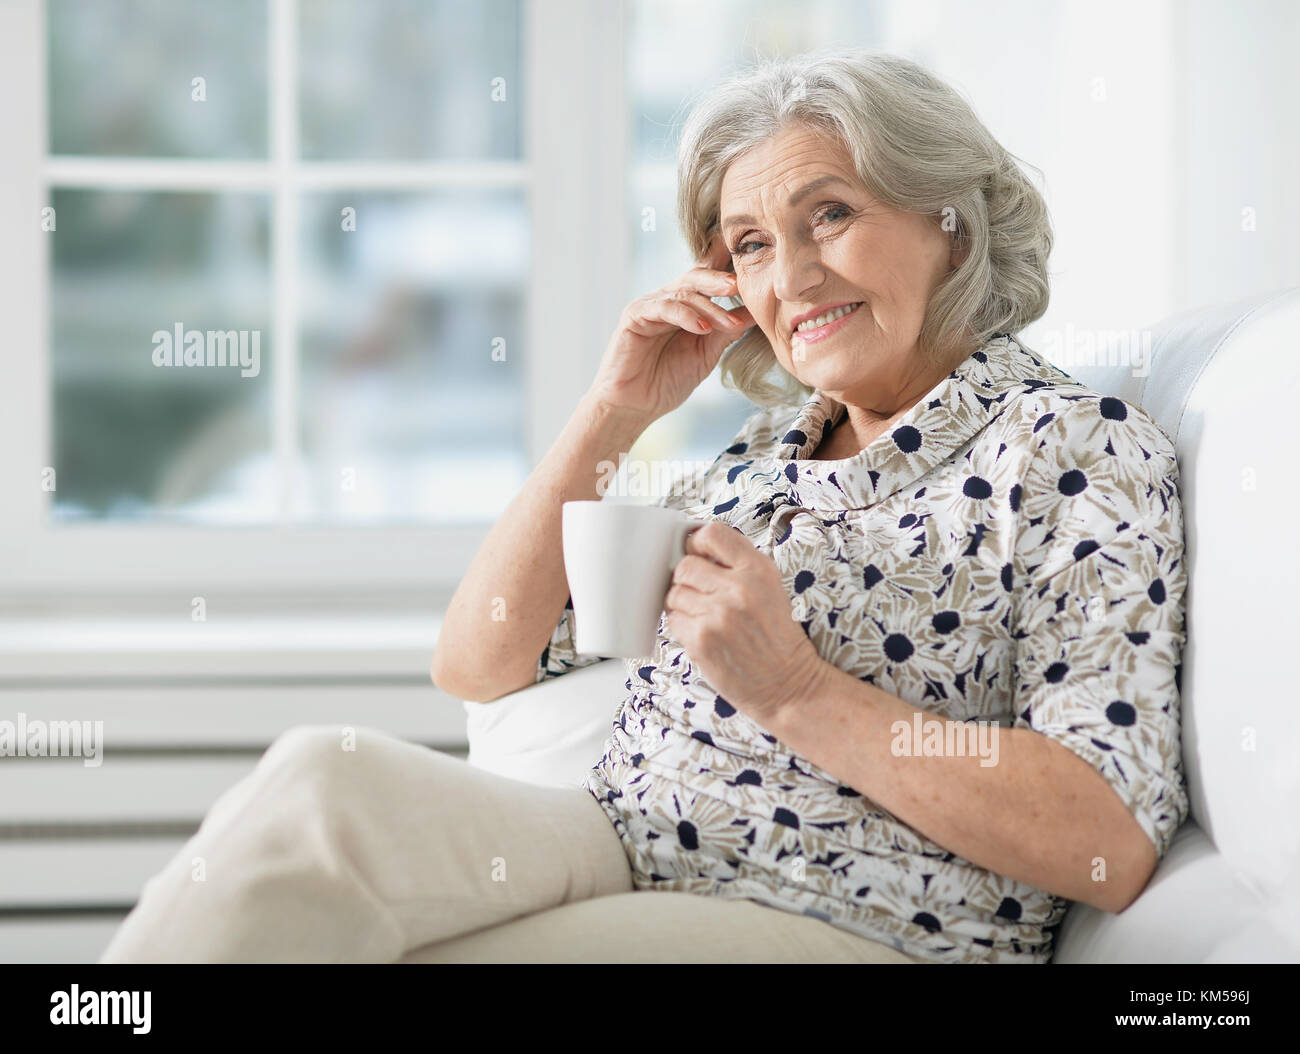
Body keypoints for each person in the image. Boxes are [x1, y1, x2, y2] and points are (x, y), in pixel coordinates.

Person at [100, 47, 1188, 964]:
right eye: (753, 243)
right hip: (621, 831)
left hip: (843, 909)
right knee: (319, 779)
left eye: (832, 215)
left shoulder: (1071, 448)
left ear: (950, 222)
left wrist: (798, 690)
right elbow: (480, 661)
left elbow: (1106, 833)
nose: (794, 277)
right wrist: (614, 407)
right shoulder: (765, 453)